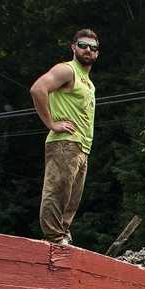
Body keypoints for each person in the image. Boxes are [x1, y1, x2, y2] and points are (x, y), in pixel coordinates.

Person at [30, 29, 99, 246]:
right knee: (57, 191)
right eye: (83, 45)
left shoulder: (88, 82)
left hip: (82, 146)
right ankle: (54, 237)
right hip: (64, 143)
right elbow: (38, 89)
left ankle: (62, 235)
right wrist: (51, 123)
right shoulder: (67, 70)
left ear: (97, 53)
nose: (87, 50)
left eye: (93, 47)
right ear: (73, 47)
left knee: (71, 197)